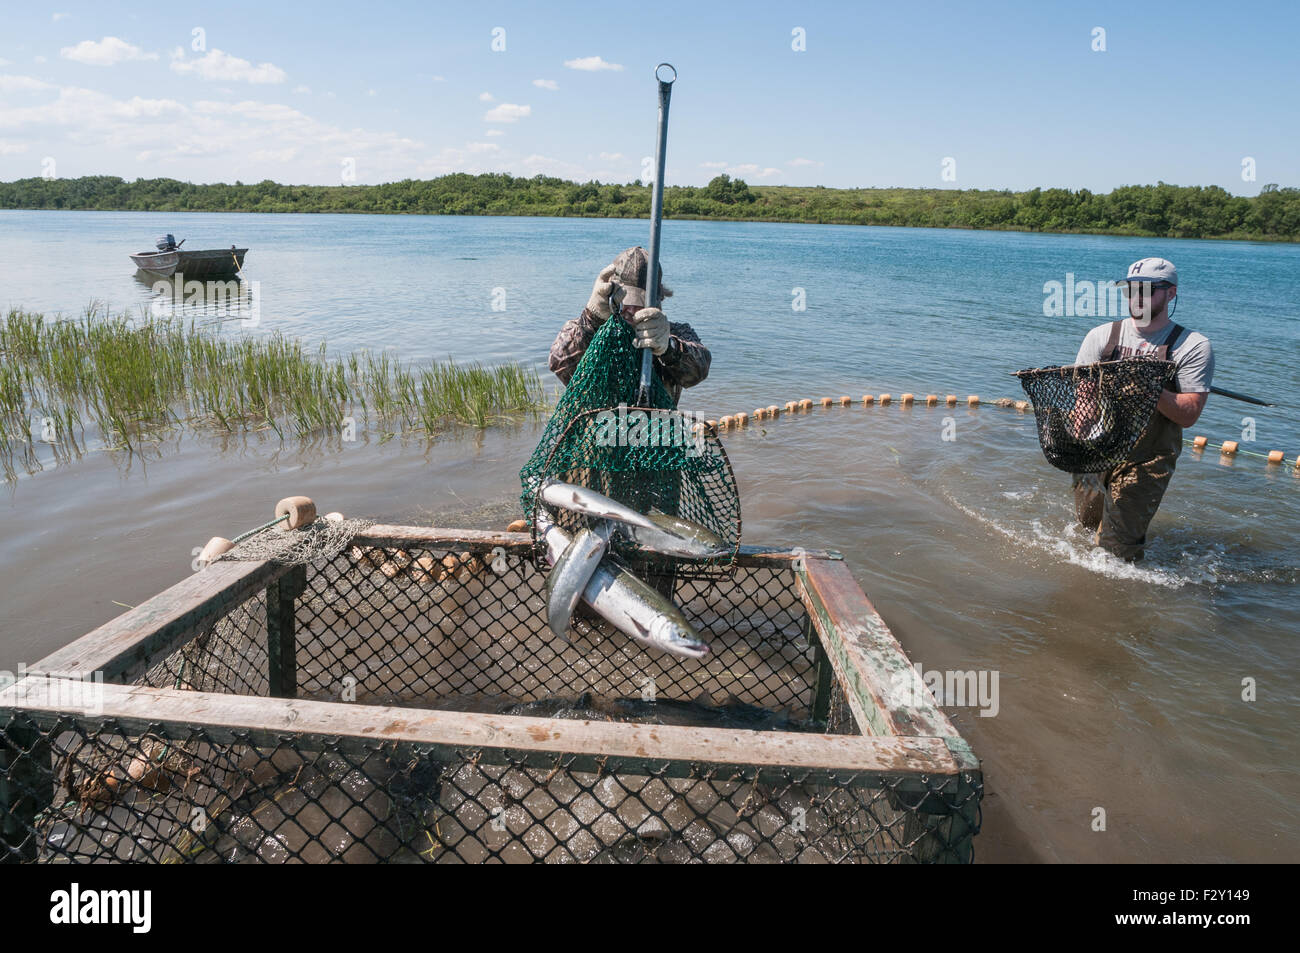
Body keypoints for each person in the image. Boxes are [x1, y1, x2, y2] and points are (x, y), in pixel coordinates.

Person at [1070, 257, 1214, 561]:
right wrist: (1076, 434)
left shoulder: (1192, 346)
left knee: (1116, 551)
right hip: (1098, 448)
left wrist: (1151, 388)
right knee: (1084, 528)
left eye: (1148, 290)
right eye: (1131, 289)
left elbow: (1189, 415)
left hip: (1148, 459)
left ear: (1171, 293)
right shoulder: (1101, 336)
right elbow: (1085, 397)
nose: (1137, 297)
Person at [549, 246, 710, 405]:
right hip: (600, 426)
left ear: (658, 299)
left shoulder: (676, 332)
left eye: (640, 301)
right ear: (610, 296)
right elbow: (559, 363)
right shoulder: (587, 330)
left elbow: (699, 370)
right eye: (625, 300)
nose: (631, 310)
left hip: (658, 427)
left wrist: (669, 347)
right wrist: (592, 319)